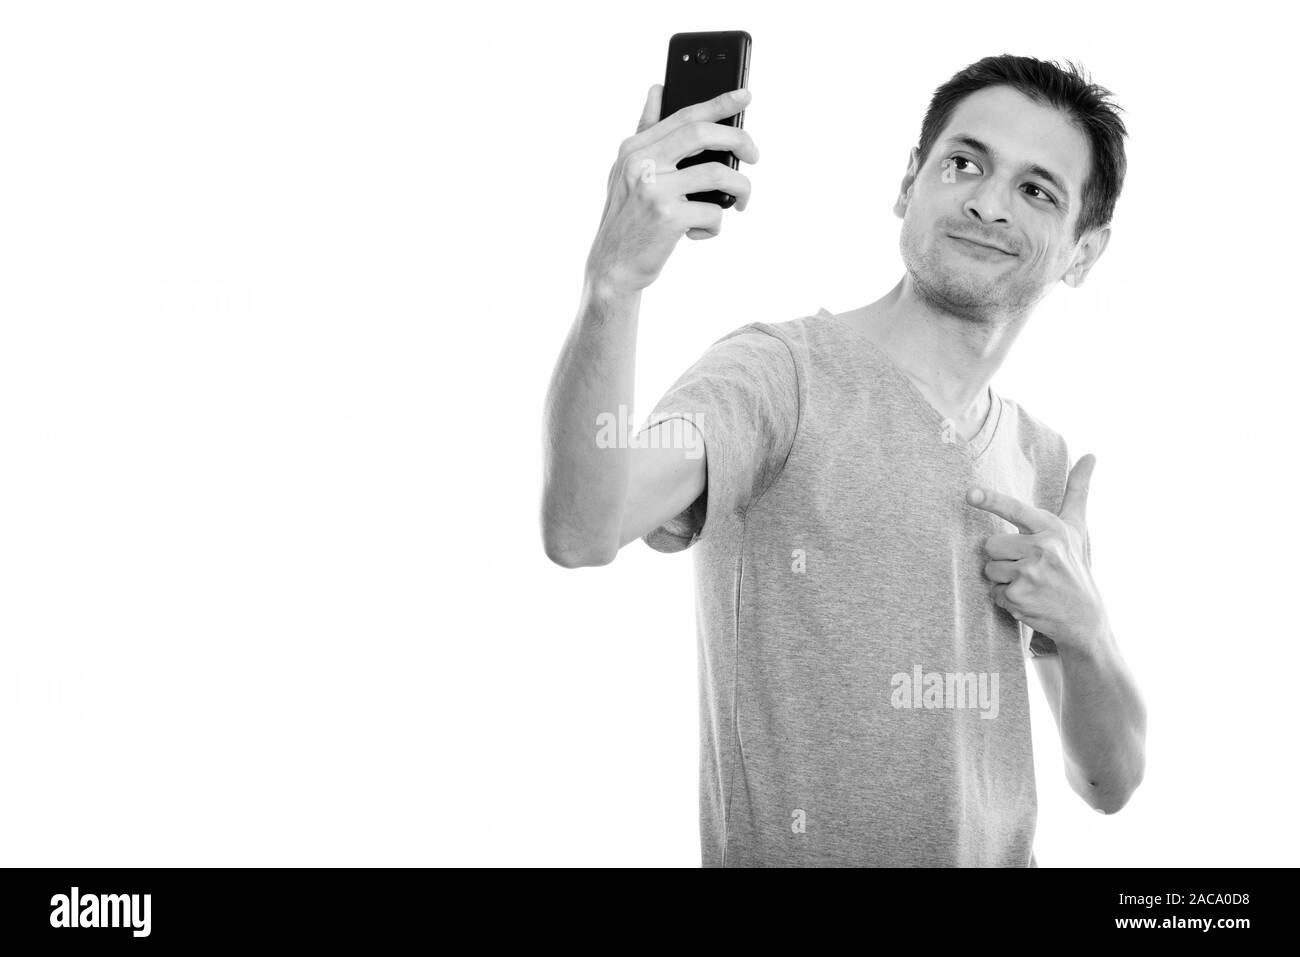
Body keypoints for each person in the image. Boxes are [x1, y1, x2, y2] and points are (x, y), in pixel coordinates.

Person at [541, 54, 1146, 867]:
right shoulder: (777, 375)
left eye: (1037, 190)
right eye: (964, 162)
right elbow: (584, 526)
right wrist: (613, 282)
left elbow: (1109, 781)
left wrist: (1088, 628)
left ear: (1083, 251)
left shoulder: (1040, 457)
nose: (985, 202)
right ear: (909, 183)